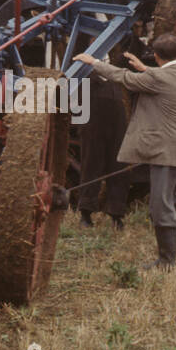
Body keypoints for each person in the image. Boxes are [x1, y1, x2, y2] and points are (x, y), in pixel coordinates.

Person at [73, 33, 176, 269]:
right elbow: (161, 76)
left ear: (156, 55)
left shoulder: (158, 78)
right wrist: (145, 68)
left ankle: (166, 261)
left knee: (161, 206)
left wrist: (93, 62)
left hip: (169, 152)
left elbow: (122, 76)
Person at [76, 70, 129, 230]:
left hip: (117, 112)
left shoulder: (116, 59)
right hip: (92, 113)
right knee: (91, 163)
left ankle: (116, 214)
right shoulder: (83, 63)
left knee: (119, 163)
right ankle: (86, 213)